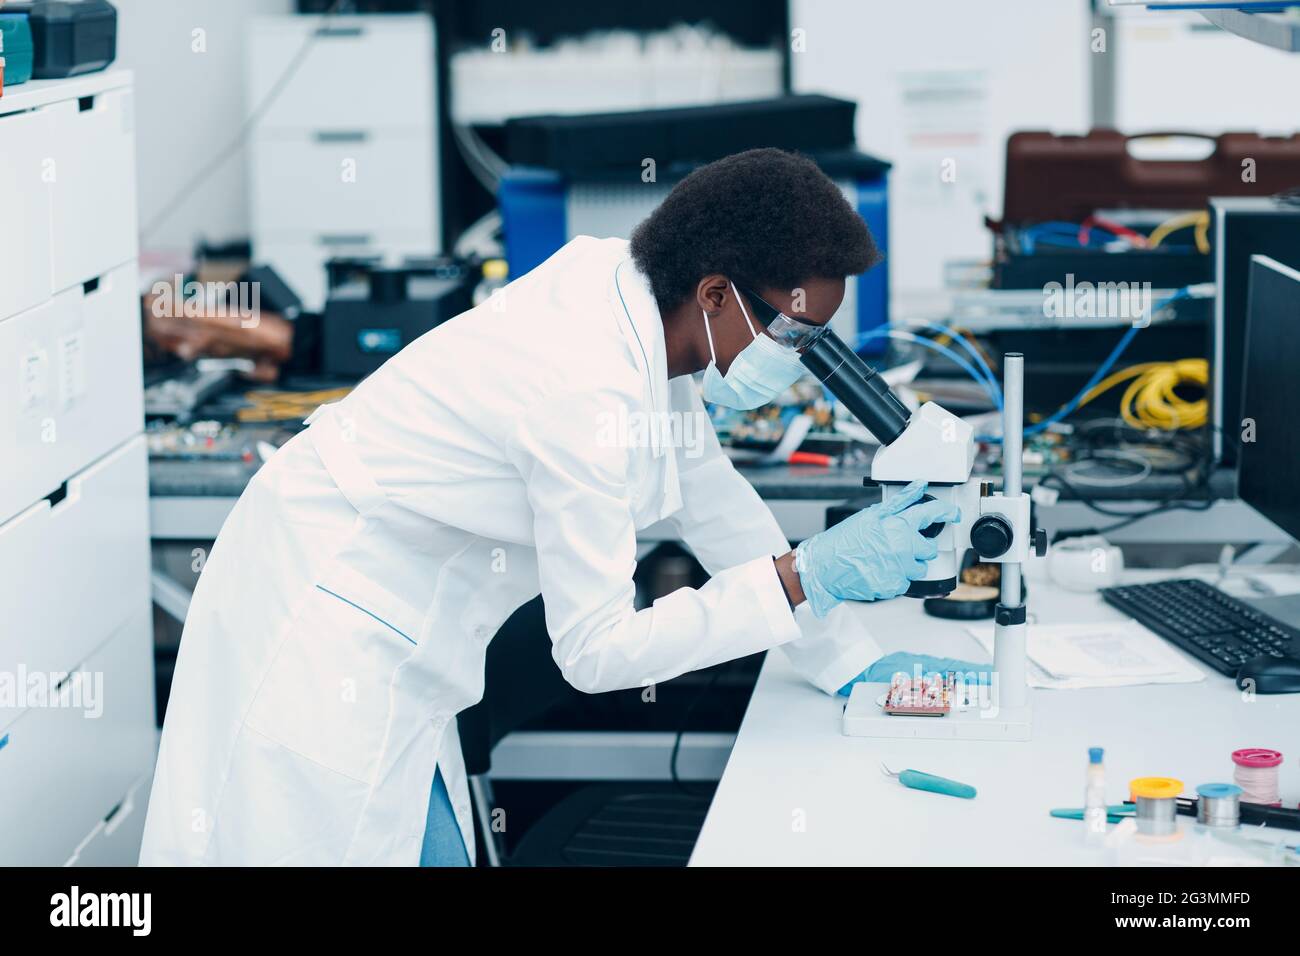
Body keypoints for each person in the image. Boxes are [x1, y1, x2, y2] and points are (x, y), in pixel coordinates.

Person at [139, 148, 966, 867]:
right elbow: (596, 652)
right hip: (320, 627)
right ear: (717, 294)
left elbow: (713, 501)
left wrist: (845, 659)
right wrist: (803, 578)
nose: (799, 358)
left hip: (392, 621)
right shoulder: (584, 389)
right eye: (794, 334)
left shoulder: (639, 303)